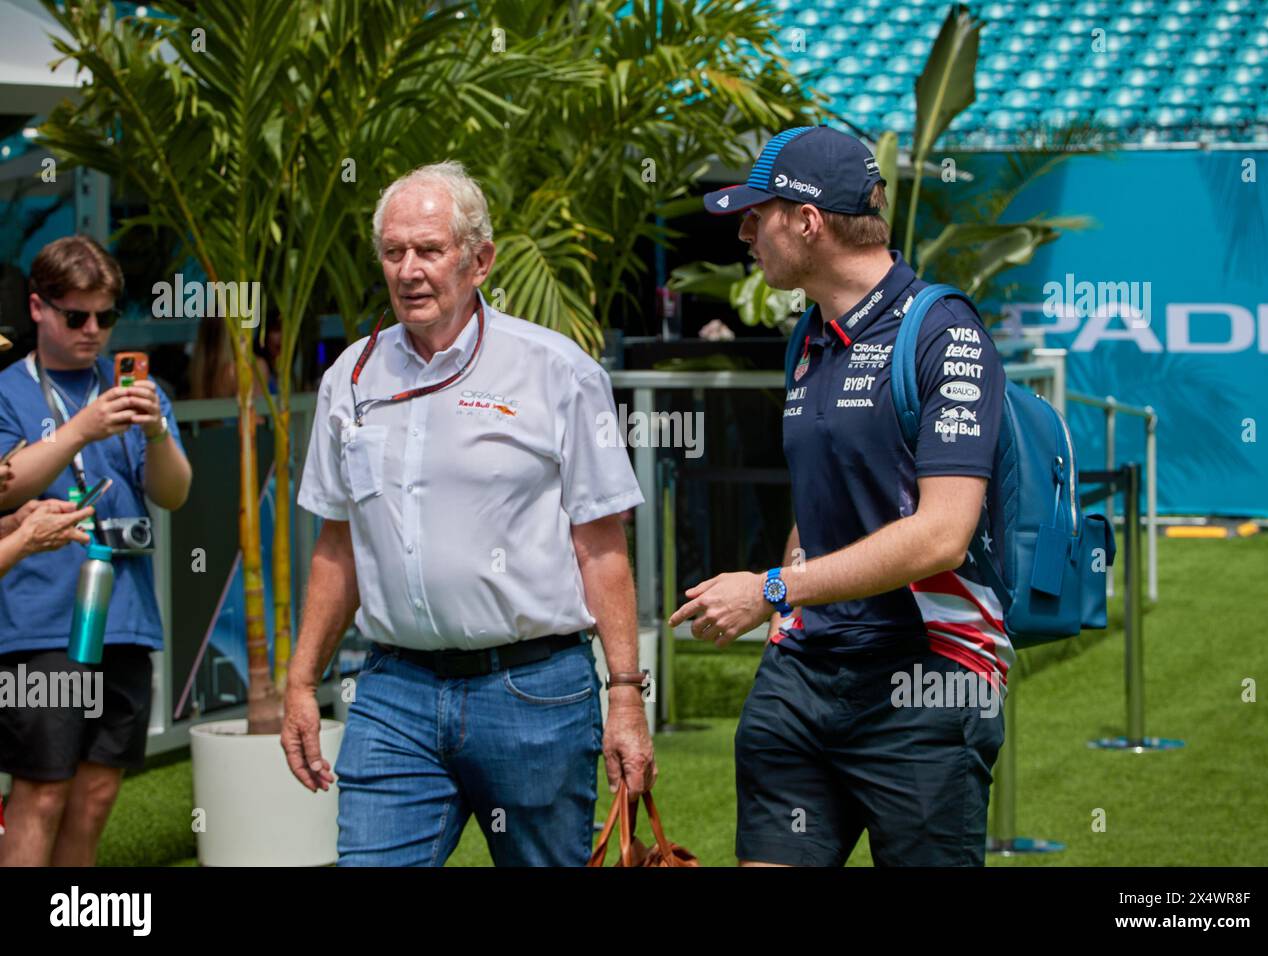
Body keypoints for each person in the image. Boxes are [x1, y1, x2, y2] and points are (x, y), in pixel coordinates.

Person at [282, 161, 654, 867]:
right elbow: (338, 546)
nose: (409, 270)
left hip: (533, 690)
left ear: (480, 259)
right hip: (394, 688)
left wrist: (627, 697)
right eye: (394, 253)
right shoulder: (349, 380)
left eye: (430, 250)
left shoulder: (558, 371)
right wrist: (302, 680)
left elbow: (601, 547)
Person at [670, 126, 1009, 867]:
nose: (745, 232)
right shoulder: (810, 336)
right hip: (803, 678)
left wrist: (774, 588)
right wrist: (794, 595)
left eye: (758, 214)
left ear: (808, 221)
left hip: (928, 681)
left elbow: (942, 535)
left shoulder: (943, 332)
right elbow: (826, 492)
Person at [0, 235, 192, 867]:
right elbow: (8, 484)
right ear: (37, 307)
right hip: (39, 621)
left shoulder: (137, 391)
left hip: (125, 616)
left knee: (96, 796)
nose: (92, 331)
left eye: (105, 317)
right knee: (43, 794)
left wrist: (157, 432)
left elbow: (173, 493)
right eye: (75, 315)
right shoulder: (9, 389)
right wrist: (82, 428)